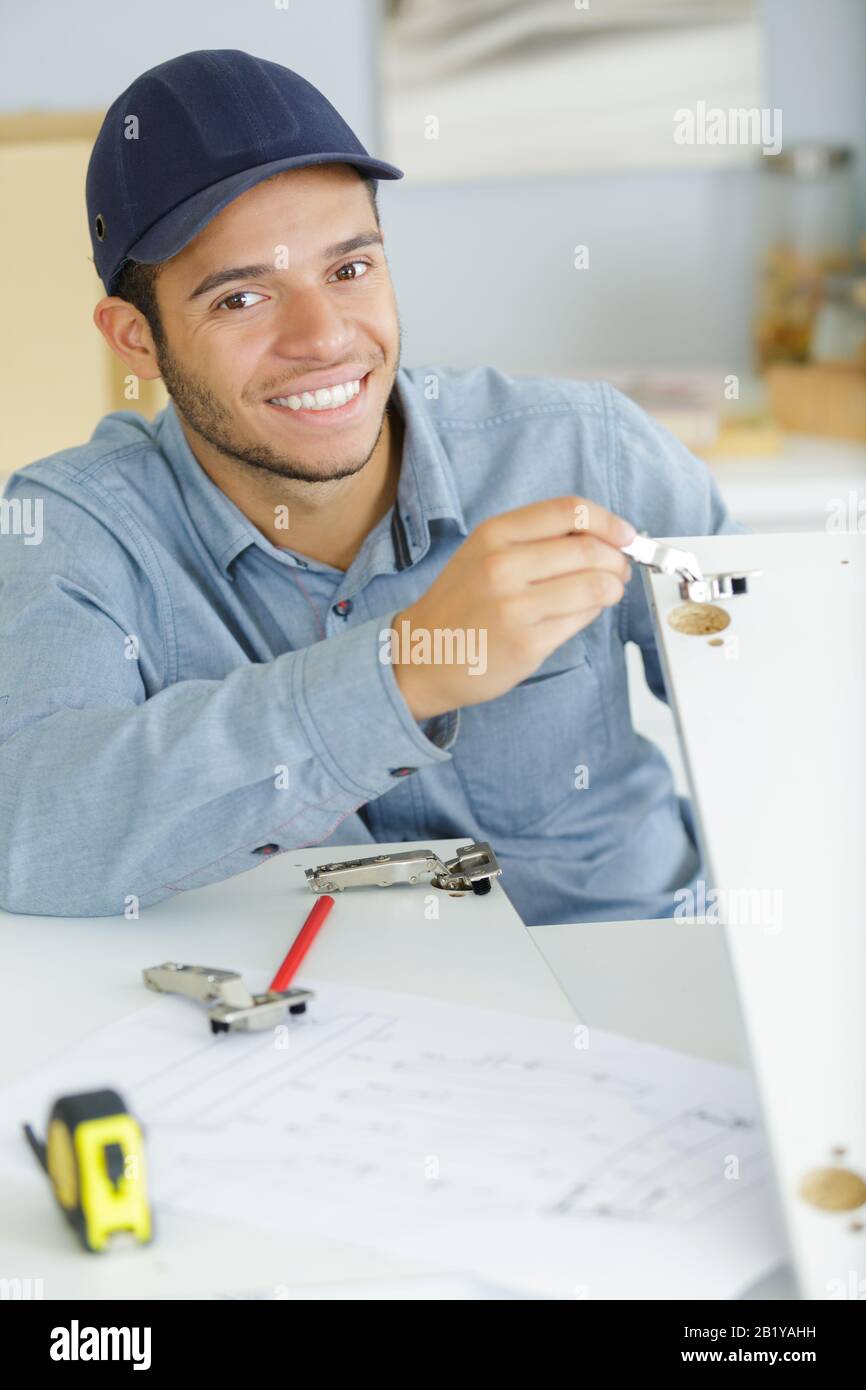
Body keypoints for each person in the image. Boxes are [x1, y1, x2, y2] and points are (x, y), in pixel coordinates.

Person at [0, 49, 735, 925]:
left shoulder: (586, 449)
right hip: (303, 1034)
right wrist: (401, 671)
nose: (324, 339)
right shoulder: (71, 531)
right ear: (136, 341)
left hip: (638, 982)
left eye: (350, 270)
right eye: (241, 299)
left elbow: (803, 712)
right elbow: (33, 833)